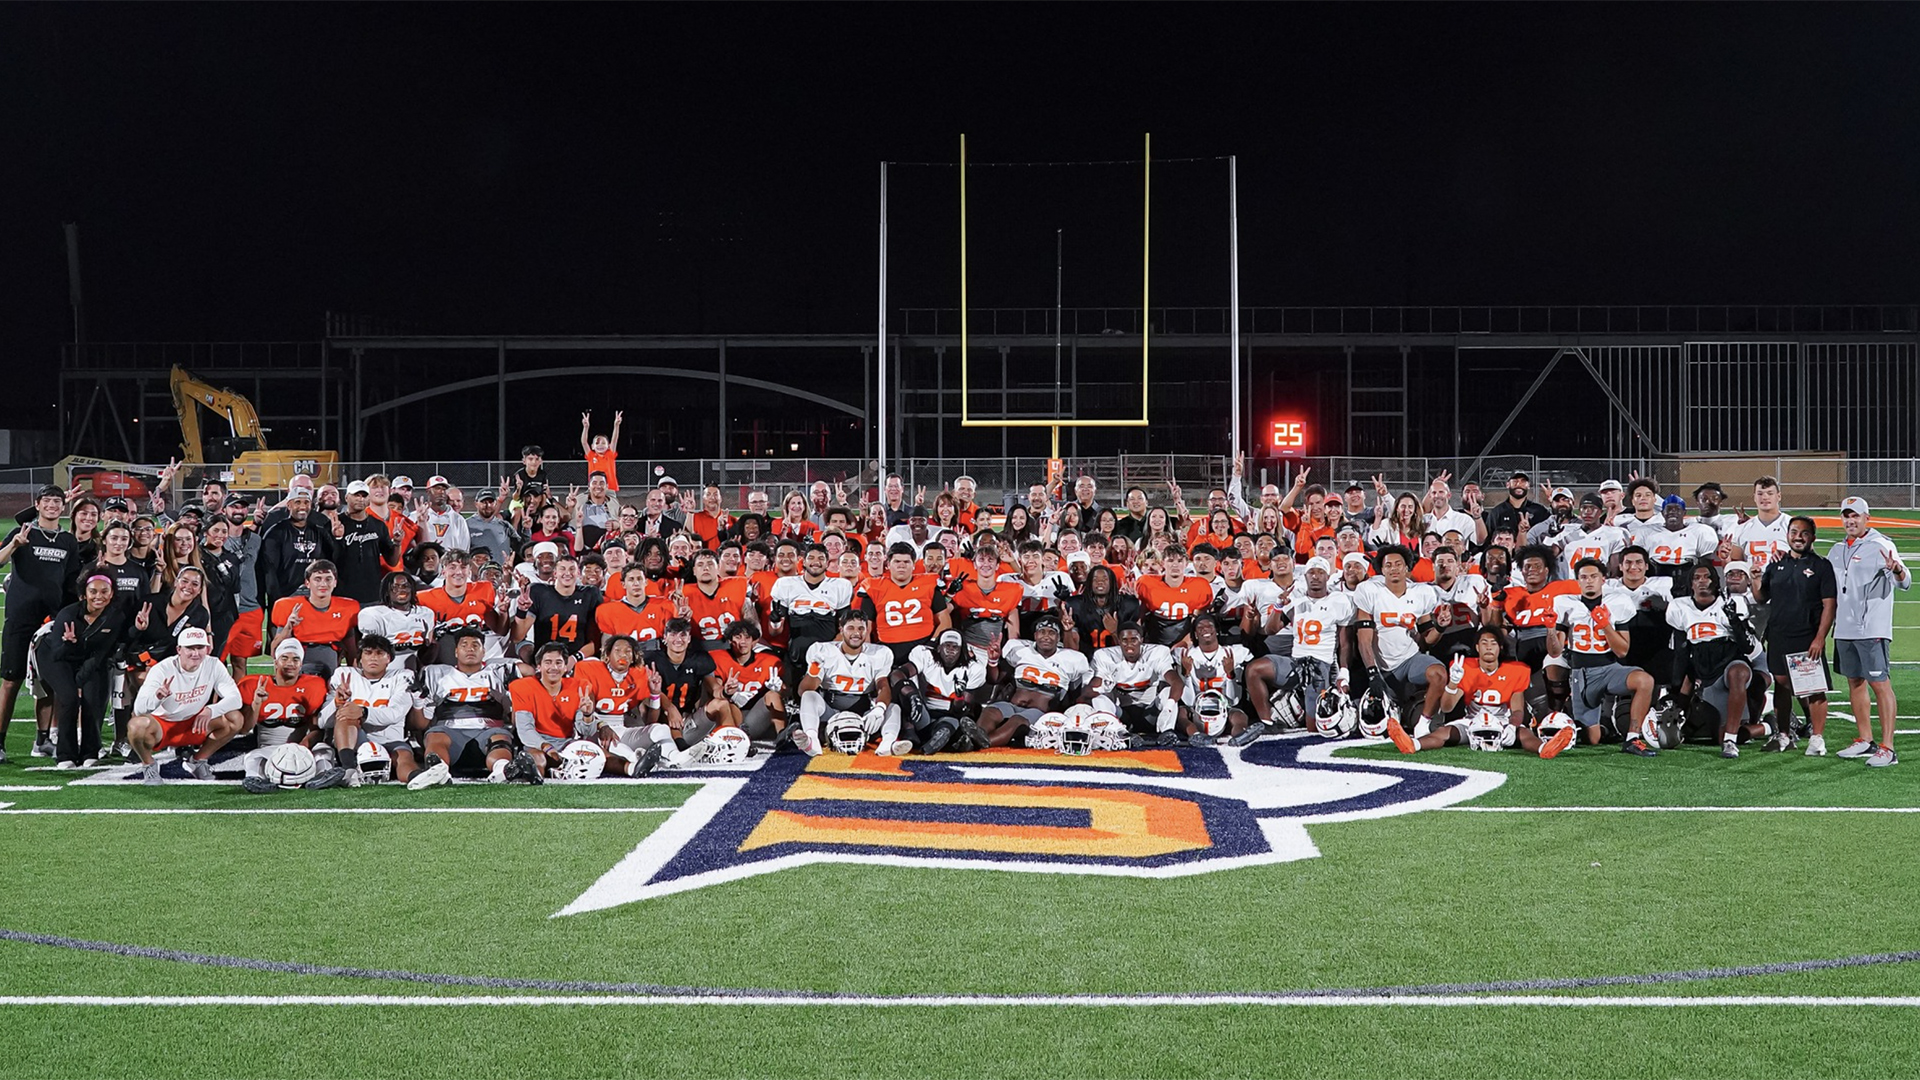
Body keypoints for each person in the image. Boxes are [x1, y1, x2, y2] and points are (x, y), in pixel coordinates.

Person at [1388, 627, 1574, 759]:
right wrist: (1453, 683)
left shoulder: (1515, 670)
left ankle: (1544, 748)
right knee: (1444, 732)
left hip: (1502, 720)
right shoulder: (1464, 667)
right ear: (1477, 647)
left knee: (1524, 735)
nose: (1488, 647)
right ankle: (1414, 745)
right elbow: (1446, 707)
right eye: (1484, 643)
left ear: (1500, 648)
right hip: (1472, 721)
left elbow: (1517, 710)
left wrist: (1511, 725)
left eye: (1493, 643)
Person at [0, 485, 80, 760]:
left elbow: (72, 583)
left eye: (57, 501)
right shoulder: (24, 533)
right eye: (47, 501)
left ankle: (43, 741)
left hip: (50, 620)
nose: (53, 505)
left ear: (63, 506)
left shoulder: (68, 541)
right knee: (11, 679)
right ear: (38, 504)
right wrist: (14, 545)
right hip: (21, 617)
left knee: (47, 679)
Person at [1827, 497, 1906, 767]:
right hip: (1845, 628)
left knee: (1880, 684)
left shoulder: (1880, 545)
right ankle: (1865, 739)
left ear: (1866, 518)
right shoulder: (1836, 550)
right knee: (1854, 682)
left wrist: (1896, 569)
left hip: (1871, 628)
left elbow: (1906, 582)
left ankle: (1888, 748)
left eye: (1856, 516)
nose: (1851, 521)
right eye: (1846, 516)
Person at [1550, 558, 1658, 753]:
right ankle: (1570, 727)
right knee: (1593, 739)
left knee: (1645, 680)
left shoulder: (1617, 602)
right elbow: (1555, 651)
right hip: (1581, 674)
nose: (1589, 581)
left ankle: (1633, 739)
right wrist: (1550, 628)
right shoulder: (1565, 604)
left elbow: (1622, 650)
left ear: (1603, 580)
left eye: (1594, 576)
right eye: (1584, 577)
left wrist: (1605, 625)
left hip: (1610, 669)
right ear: (1578, 581)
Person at [306, 633, 433, 789]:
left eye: (380, 653)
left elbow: (394, 714)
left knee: (404, 757)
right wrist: (337, 703)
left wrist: (363, 712)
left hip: (389, 740)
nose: (373, 658)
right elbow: (322, 721)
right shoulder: (344, 675)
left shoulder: (403, 677)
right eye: (368, 653)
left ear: (389, 659)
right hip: (355, 743)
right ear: (360, 658)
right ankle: (349, 770)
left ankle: (416, 778)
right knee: (347, 712)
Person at [1757, 516, 1838, 755]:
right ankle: (1783, 735)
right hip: (1779, 633)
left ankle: (1817, 738)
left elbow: (1829, 605)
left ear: (1812, 537)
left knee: (1813, 688)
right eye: (1794, 532)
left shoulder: (1822, 566)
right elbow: (1762, 598)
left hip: (1807, 635)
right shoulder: (1775, 565)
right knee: (1781, 686)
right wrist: (1753, 577)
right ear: (1787, 535)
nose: (1798, 537)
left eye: (1804, 533)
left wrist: (1820, 637)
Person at [127, 626, 243, 784]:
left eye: (200, 647)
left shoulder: (213, 664)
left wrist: (211, 709)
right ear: (179, 649)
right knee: (136, 725)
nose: (195, 653)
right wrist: (157, 697)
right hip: (163, 725)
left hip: (195, 722)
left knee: (235, 718)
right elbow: (139, 709)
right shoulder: (162, 669)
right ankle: (149, 765)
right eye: (190, 648)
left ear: (207, 648)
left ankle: (198, 761)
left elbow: (236, 699)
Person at [1352, 545, 1447, 734]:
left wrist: (1441, 627)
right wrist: (1372, 672)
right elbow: (1363, 639)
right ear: (1382, 569)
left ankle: (1423, 723)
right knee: (1377, 726)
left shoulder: (1421, 593)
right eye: (1389, 565)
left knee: (1439, 674)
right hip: (1381, 667)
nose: (1394, 568)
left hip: (1410, 660)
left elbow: (1428, 639)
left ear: (1407, 568)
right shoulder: (1369, 591)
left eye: (1398, 564)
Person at [36, 575, 129, 768]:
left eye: (104, 592)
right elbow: (56, 653)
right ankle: (65, 754)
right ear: (83, 595)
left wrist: (80, 680)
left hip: (91, 660)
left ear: (112, 594)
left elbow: (102, 653)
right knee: (69, 699)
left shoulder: (115, 616)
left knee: (94, 700)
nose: (99, 596)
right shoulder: (68, 615)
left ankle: (90, 751)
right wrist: (69, 644)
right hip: (57, 658)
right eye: (93, 591)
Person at [793, 609, 903, 756]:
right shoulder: (823, 650)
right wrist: (814, 669)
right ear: (841, 629)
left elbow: (882, 685)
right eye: (850, 628)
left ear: (867, 630)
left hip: (863, 711)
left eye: (861, 628)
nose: (856, 633)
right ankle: (811, 739)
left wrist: (879, 710)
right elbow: (804, 690)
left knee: (893, 708)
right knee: (809, 697)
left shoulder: (879, 653)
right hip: (831, 710)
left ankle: (888, 743)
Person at [979, 612, 1093, 748]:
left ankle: (976, 743)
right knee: (989, 712)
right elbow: (994, 679)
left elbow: (1075, 692)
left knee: (1016, 722)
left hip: (1040, 712)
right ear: (1035, 635)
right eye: (1042, 632)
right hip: (1012, 705)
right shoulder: (1020, 651)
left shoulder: (1071, 659)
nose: (1046, 636)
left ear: (1058, 638)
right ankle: (975, 740)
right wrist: (993, 661)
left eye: (1051, 633)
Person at [235, 638, 330, 792]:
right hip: (271, 749)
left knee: (324, 750)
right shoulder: (255, 685)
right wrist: (256, 703)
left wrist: (302, 747)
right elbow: (245, 729)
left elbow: (316, 728)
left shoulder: (314, 685)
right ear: (275, 662)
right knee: (253, 757)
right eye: (284, 658)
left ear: (301, 664)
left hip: (302, 747)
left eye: (295, 659)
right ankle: (255, 779)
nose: (290, 663)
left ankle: (323, 776)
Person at [270, 560, 360, 680]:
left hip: (331, 661)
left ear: (335, 582)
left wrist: (355, 676)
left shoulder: (347, 608)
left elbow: (351, 650)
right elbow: (275, 650)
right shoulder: (290, 607)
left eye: (328, 579)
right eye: (317, 579)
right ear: (307, 583)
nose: (323, 584)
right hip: (300, 663)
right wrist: (288, 627)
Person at [465, 488, 519, 566]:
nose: (488, 505)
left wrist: (526, 529)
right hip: (477, 575)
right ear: (476, 504)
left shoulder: (505, 525)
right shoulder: (466, 524)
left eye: (491, 502)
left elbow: (520, 545)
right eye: (484, 502)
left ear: (496, 503)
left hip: (501, 573)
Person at [580, 411, 623, 492]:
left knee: (610, 504)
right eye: (597, 443)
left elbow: (614, 439)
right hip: (594, 489)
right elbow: (584, 442)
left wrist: (616, 425)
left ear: (608, 446)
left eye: (603, 443)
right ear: (592, 446)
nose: (600, 445)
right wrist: (585, 427)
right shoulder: (591, 456)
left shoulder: (610, 454)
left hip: (610, 488)